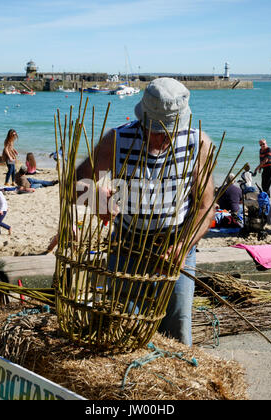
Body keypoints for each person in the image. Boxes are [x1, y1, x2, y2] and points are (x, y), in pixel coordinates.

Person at [75, 77, 215, 346]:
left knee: (177, 332)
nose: (162, 137)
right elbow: (78, 182)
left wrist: (183, 245)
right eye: (156, 129)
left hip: (175, 247)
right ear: (143, 120)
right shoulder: (117, 140)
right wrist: (96, 199)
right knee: (125, 330)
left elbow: (204, 206)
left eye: (168, 131)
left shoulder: (199, 144)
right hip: (127, 247)